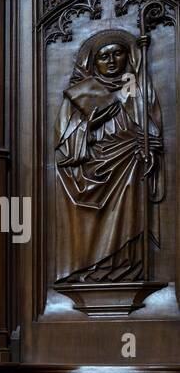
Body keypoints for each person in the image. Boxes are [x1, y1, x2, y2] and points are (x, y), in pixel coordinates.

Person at [55, 29, 164, 283]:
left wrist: (149, 146)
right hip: (92, 170)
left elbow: (149, 127)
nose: (112, 61)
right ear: (94, 63)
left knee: (129, 217)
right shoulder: (82, 92)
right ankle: (92, 269)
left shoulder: (133, 86)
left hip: (129, 165)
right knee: (92, 227)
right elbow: (63, 143)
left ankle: (127, 269)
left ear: (128, 56)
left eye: (118, 54)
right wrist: (89, 126)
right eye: (104, 57)